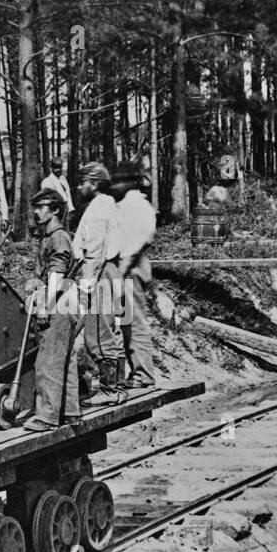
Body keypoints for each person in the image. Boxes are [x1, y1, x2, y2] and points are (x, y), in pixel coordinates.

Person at [23, 188, 81, 431]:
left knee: (48, 360)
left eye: (42, 207)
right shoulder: (51, 236)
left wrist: (45, 306)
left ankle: (47, 416)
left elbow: (57, 273)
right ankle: (69, 412)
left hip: (59, 299)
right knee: (65, 359)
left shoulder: (57, 237)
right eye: (35, 207)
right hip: (66, 297)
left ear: (56, 209)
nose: (36, 212)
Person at [72, 162, 125, 405]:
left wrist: (86, 285)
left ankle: (110, 390)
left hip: (100, 272)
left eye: (83, 182)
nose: (80, 186)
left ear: (94, 184)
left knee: (100, 333)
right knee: (109, 329)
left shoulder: (97, 211)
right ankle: (117, 386)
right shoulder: (106, 205)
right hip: (110, 270)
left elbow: (93, 251)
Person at [111, 163, 157, 388]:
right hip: (128, 269)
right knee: (126, 323)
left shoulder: (135, 206)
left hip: (131, 271)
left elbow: (132, 246)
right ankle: (135, 371)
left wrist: (119, 273)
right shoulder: (131, 205)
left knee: (135, 323)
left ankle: (143, 373)